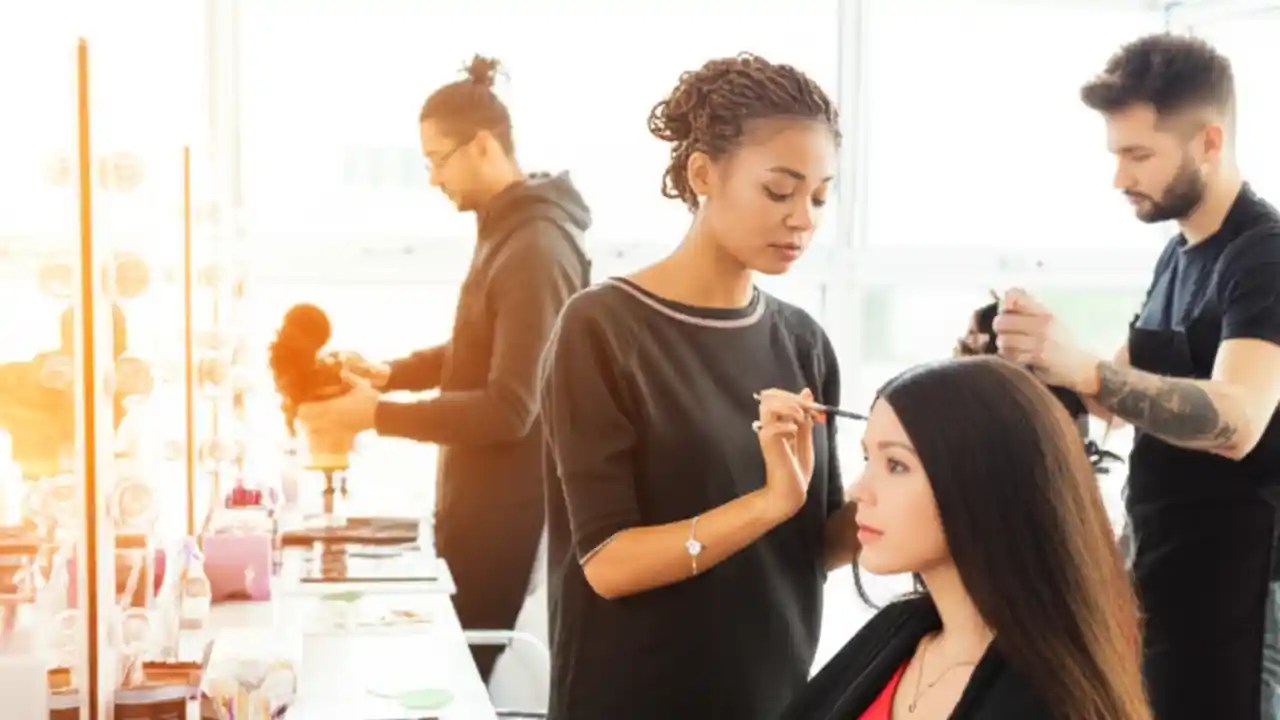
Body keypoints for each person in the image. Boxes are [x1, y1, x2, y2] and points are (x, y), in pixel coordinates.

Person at [539, 53, 859, 720]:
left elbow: (814, 546)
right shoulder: (603, 329)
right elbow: (608, 564)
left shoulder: (802, 341)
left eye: (820, 197)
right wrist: (768, 503)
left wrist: (927, 461)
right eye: (780, 190)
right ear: (702, 173)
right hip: (635, 696)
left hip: (774, 697)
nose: (803, 218)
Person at [993, 34, 1280, 719]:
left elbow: (1238, 420)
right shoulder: (1178, 258)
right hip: (1166, 580)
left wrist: (1085, 364)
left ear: (1210, 142)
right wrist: (1031, 356)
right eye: (1117, 154)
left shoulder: (1263, 257)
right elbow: (1117, 397)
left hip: (1239, 599)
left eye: (1139, 155)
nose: (1120, 177)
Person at [296, 55, 592, 680]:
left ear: (482, 146)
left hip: (506, 521)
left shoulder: (536, 248)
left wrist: (374, 415)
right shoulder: (505, 232)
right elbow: (476, 346)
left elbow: (512, 408)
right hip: (474, 505)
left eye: (436, 159)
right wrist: (389, 374)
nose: (431, 178)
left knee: (462, 683)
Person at [782, 357, 1150, 720]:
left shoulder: (1048, 697)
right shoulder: (895, 633)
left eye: (896, 465)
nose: (857, 491)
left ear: (982, 483)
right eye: (867, 459)